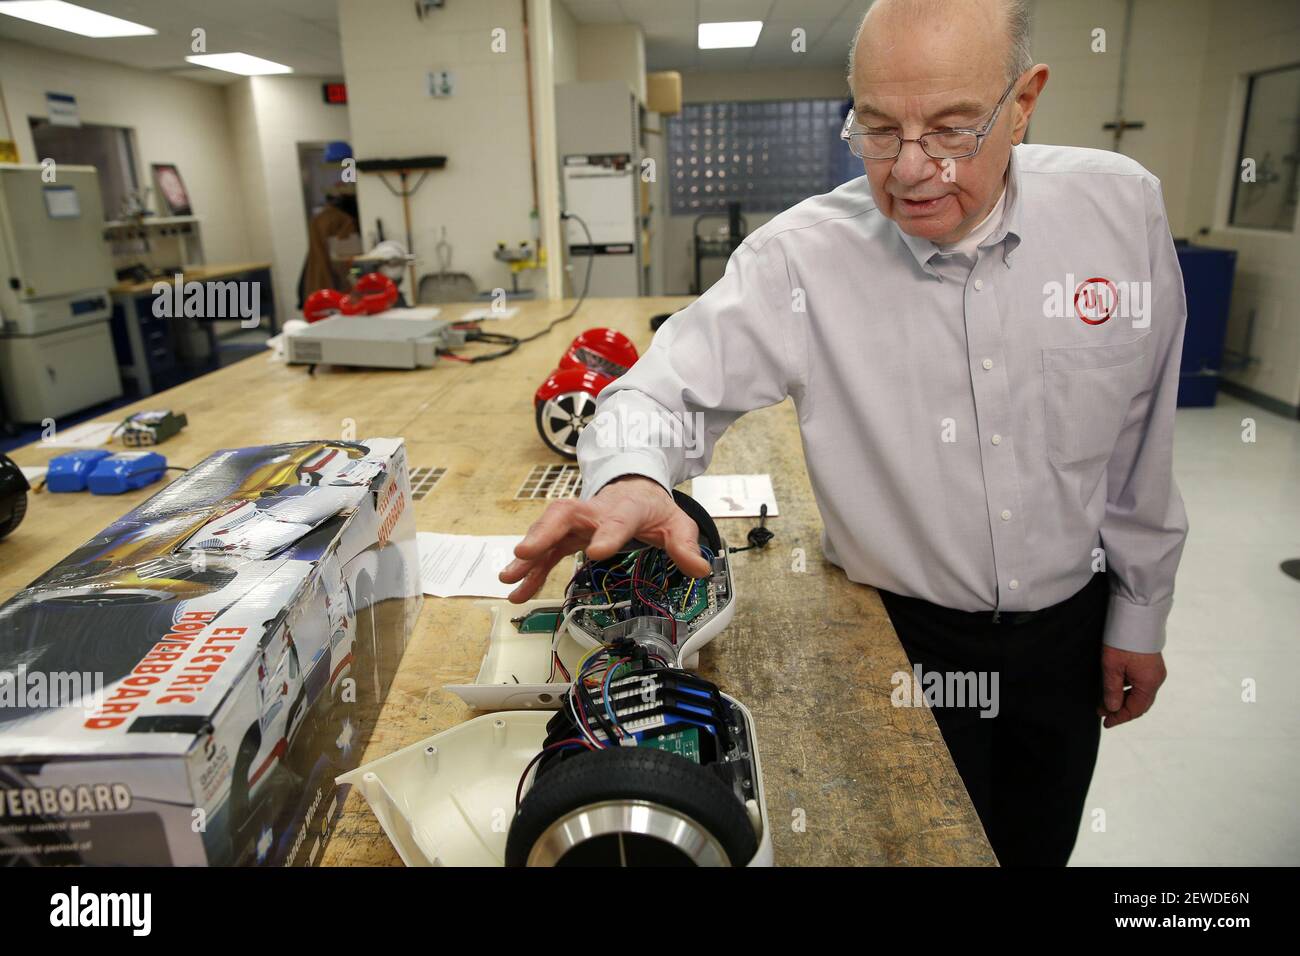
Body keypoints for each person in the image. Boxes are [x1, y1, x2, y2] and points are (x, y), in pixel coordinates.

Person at [501, 0, 1188, 867]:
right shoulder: (804, 259)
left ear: (1024, 102)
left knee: (1036, 844)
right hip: (900, 642)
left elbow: (1141, 439)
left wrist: (1141, 611)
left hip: (1070, 632)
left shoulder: (1120, 212)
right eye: (876, 128)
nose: (911, 169)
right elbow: (655, 392)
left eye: (951, 129)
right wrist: (633, 478)